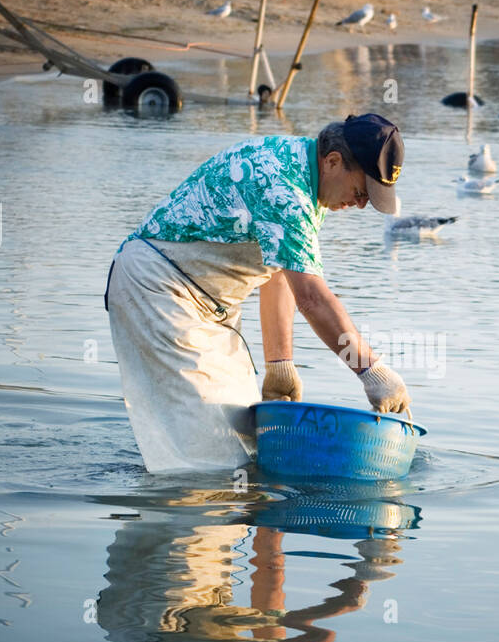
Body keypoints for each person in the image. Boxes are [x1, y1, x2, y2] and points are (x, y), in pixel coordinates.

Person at [104, 113, 412, 473]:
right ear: (333, 162)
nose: (360, 205)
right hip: (158, 289)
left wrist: (279, 365)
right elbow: (312, 298)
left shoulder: (308, 177)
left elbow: (278, 272)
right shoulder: (285, 189)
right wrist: (371, 372)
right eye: (361, 192)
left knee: (246, 440)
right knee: (209, 456)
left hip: (206, 305)